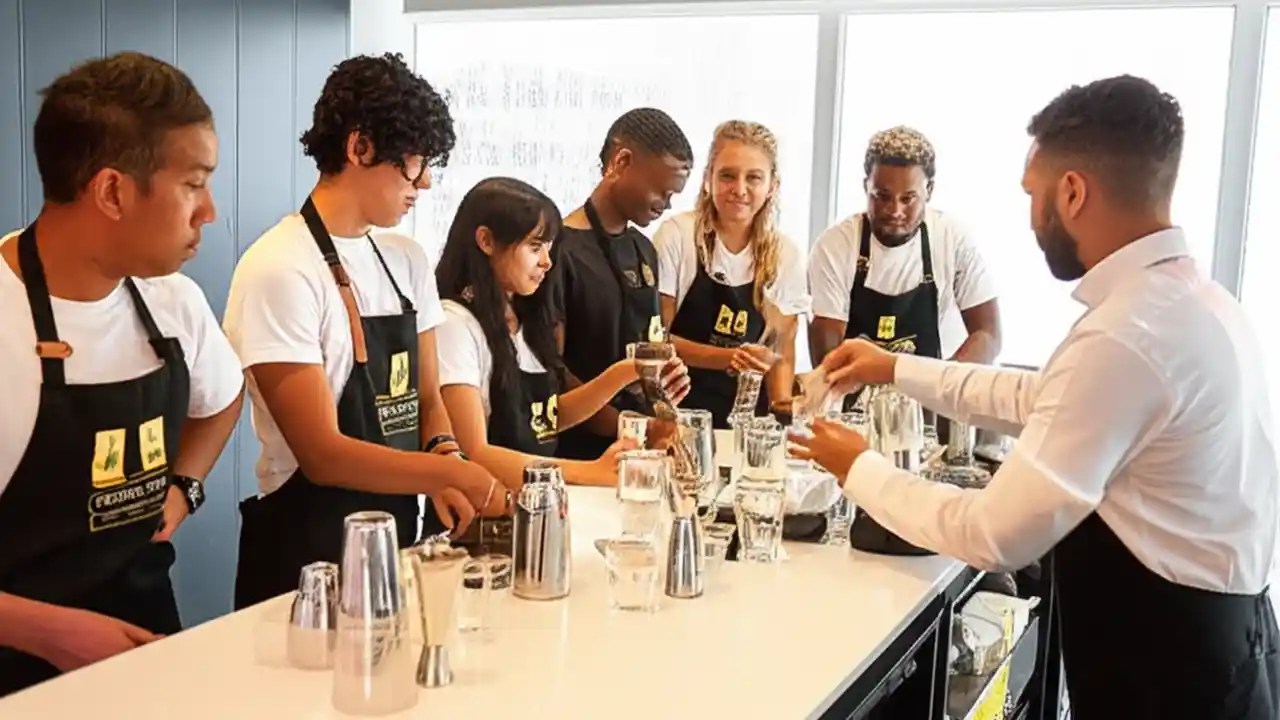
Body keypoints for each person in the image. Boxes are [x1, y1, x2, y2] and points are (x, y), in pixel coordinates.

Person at [791, 75, 1279, 718]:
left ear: (1071, 191)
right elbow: (1043, 396)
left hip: (1172, 669)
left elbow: (994, 535)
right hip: (1229, 642)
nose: (1031, 215)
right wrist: (895, 368)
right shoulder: (1191, 303)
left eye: (1032, 193)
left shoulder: (1128, 334)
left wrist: (857, 466)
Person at [0, 52, 245, 695]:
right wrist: (46, 630)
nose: (210, 211)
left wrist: (184, 487)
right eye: (194, 184)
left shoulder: (173, 302)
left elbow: (225, 395)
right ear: (111, 190)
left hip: (146, 648)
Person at [223, 53, 502, 611]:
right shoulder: (279, 267)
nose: (423, 183)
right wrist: (450, 473)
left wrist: (445, 458)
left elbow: (426, 401)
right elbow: (322, 455)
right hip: (305, 553)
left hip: (398, 535)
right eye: (413, 164)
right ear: (360, 148)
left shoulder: (407, 260)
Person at [435, 177, 690, 487]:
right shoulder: (455, 324)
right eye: (534, 246)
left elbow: (545, 419)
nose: (546, 261)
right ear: (486, 241)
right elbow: (474, 452)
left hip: (538, 503)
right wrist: (590, 472)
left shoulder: (525, 318)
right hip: (483, 520)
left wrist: (630, 372)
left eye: (549, 247)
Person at [553, 108, 695, 460]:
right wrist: (626, 425)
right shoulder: (559, 251)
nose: (666, 205)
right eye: (661, 191)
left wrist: (666, 378)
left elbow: (649, 343)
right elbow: (551, 374)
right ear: (622, 161)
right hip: (578, 452)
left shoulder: (644, 249)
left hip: (639, 448)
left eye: (673, 196)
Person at [652, 120, 809, 428]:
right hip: (677, 416)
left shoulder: (785, 255)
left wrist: (782, 419)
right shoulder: (678, 236)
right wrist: (729, 358)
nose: (739, 189)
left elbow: (781, 353)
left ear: (772, 186)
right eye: (727, 176)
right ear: (708, 178)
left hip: (747, 421)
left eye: (754, 178)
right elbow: (657, 340)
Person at [807, 126, 1000, 371]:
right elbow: (827, 353)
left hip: (932, 394)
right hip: (852, 395)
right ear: (866, 186)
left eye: (908, 198)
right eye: (882, 196)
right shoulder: (834, 246)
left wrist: (940, 384)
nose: (895, 211)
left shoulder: (953, 240)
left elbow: (988, 334)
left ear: (928, 191)